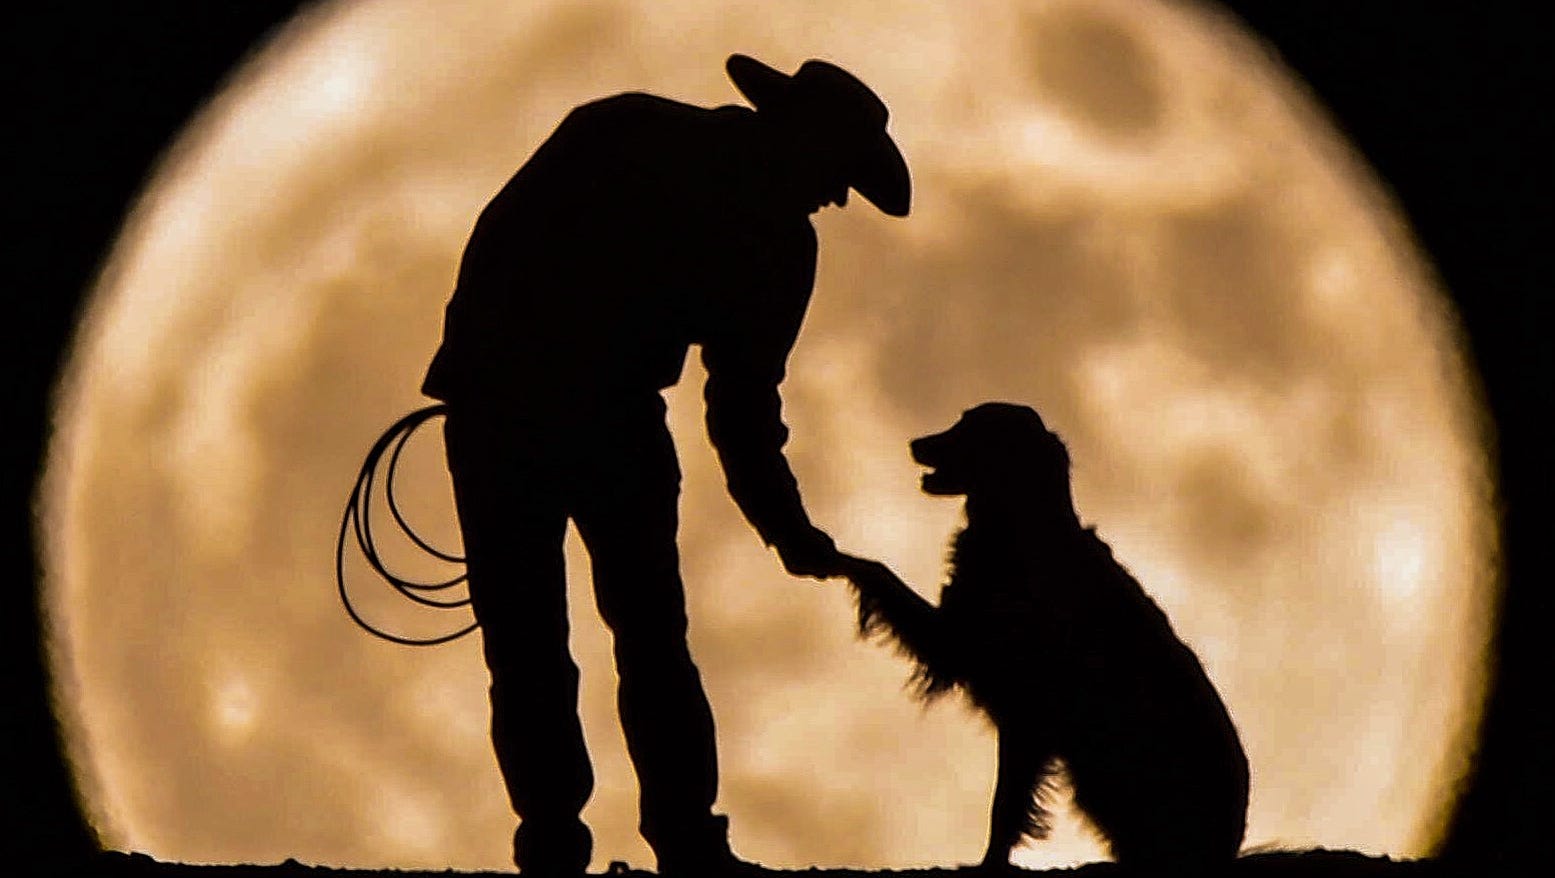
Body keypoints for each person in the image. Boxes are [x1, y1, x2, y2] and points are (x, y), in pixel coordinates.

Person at [421, 53, 910, 875]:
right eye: (838, 176)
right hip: (579, 415)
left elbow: (498, 241)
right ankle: (674, 840)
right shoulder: (766, 236)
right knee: (636, 635)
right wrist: (785, 527)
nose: (836, 198)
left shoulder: (629, 131)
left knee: (536, 637)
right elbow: (742, 407)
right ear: (803, 142)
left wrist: (784, 522)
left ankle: (561, 841)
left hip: (517, 410)